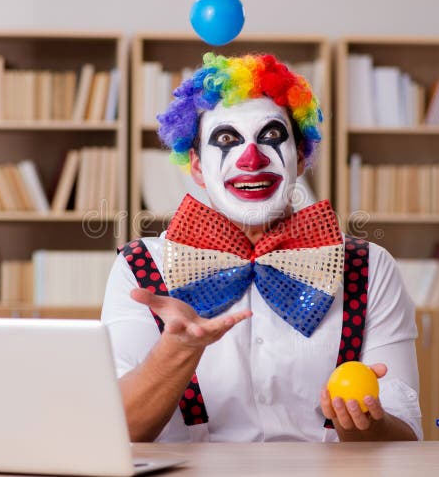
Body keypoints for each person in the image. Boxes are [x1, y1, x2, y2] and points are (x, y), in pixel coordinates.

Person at [102, 53, 421, 443]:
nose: (251, 159)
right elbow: (115, 436)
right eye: (226, 139)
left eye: (270, 137)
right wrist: (176, 351)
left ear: (300, 156)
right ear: (197, 166)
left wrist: (363, 424)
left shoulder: (368, 267)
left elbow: (405, 440)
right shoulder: (140, 269)